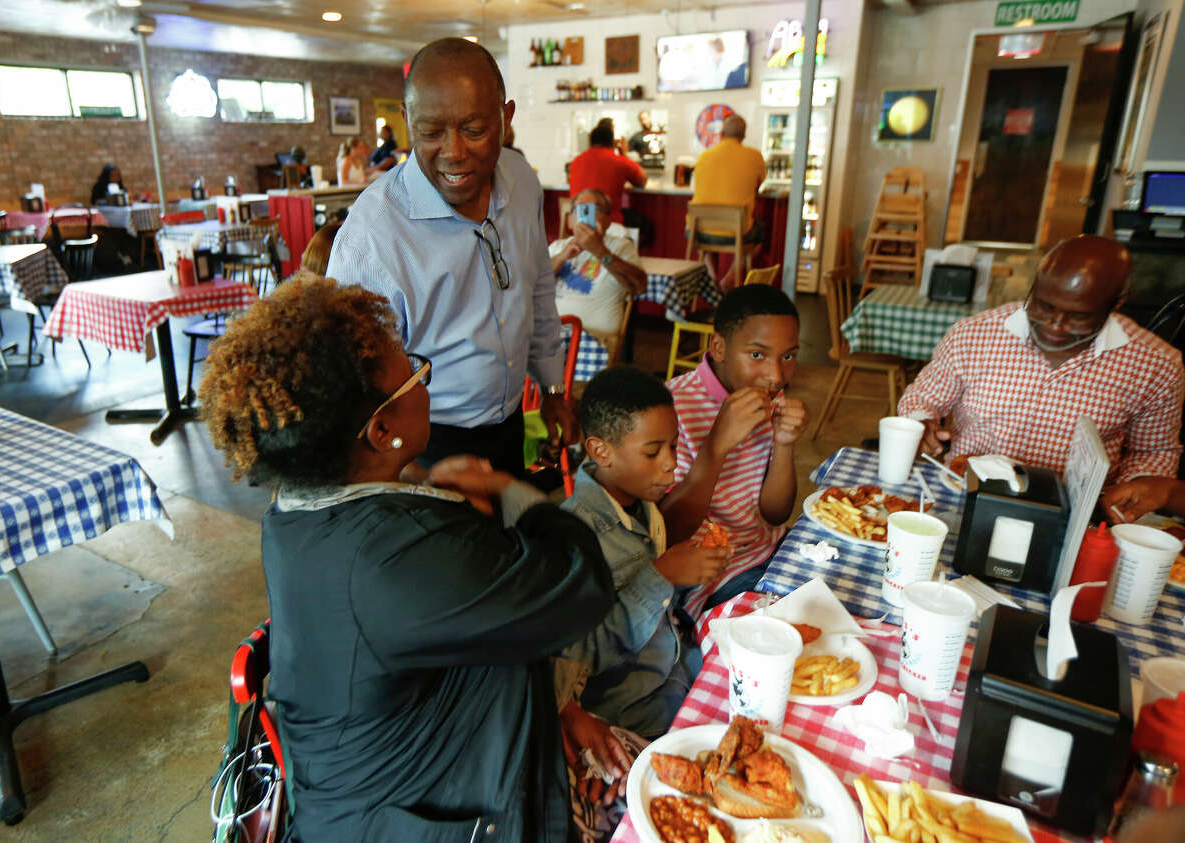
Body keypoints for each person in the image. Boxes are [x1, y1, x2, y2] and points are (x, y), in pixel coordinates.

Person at [196, 274, 615, 841]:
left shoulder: (292, 513)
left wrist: (414, 480)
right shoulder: (401, 555)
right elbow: (580, 582)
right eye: (416, 372)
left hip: (349, 795)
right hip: (413, 821)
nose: (425, 381)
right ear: (381, 429)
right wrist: (505, 490)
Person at [326, 38, 573, 478]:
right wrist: (417, 478)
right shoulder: (372, 238)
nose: (454, 152)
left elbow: (536, 287)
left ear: (505, 118)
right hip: (422, 448)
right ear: (406, 122)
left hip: (511, 421)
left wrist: (553, 386)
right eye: (430, 132)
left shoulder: (520, 180)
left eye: (475, 130)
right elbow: (350, 393)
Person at [898, 235, 1184, 509]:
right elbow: (924, 397)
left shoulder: (1156, 365)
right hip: (964, 495)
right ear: (1035, 285)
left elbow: (1154, 451)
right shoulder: (974, 334)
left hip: (1071, 515)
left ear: (1119, 301)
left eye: (1079, 316)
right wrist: (920, 421)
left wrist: (1139, 485)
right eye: (1044, 306)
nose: (1056, 325)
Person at [561, 365, 729, 738]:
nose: (670, 462)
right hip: (629, 711)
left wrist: (692, 569)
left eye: (673, 445)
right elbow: (583, 657)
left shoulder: (642, 505)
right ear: (600, 451)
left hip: (673, 669)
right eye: (653, 452)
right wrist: (662, 576)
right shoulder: (572, 538)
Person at [660, 284, 808, 621]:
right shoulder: (671, 408)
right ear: (719, 347)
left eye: (788, 356)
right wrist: (716, 446)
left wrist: (784, 444)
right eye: (757, 354)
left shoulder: (770, 397)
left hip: (766, 550)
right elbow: (667, 534)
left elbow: (774, 514)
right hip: (708, 574)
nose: (775, 375)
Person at [550, 189, 646, 353]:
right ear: (570, 221)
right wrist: (561, 257)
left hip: (596, 341)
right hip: (553, 336)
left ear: (609, 220)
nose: (588, 214)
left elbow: (639, 287)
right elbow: (532, 285)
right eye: (581, 209)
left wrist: (600, 251)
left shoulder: (621, 247)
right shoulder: (558, 247)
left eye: (597, 209)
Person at [689, 114, 767, 291]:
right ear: (743, 136)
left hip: (699, 229)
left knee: (707, 235)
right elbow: (757, 186)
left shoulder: (704, 156)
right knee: (760, 232)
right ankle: (730, 279)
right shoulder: (755, 157)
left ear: (721, 134)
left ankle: (711, 276)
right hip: (736, 230)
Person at [569, 119, 646, 225]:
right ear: (612, 142)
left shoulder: (576, 161)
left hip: (579, 220)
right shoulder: (619, 161)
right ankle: (625, 241)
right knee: (645, 225)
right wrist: (624, 154)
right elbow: (642, 181)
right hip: (609, 222)